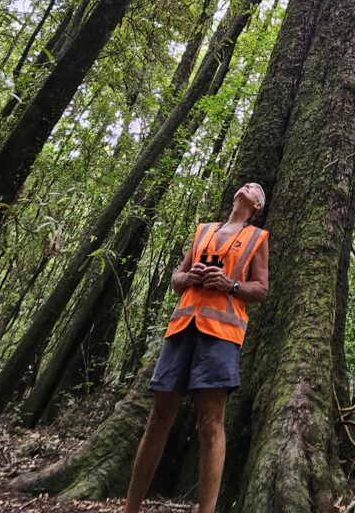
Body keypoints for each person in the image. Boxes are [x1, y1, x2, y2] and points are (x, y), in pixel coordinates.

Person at [123, 182, 269, 513]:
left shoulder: (256, 238)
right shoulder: (203, 231)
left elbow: (261, 288)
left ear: (257, 206)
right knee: (158, 418)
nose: (248, 186)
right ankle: (130, 508)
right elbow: (177, 278)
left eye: (255, 189)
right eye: (246, 184)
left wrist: (231, 284)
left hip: (222, 333)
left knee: (210, 422)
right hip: (182, 327)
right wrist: (189, 278)